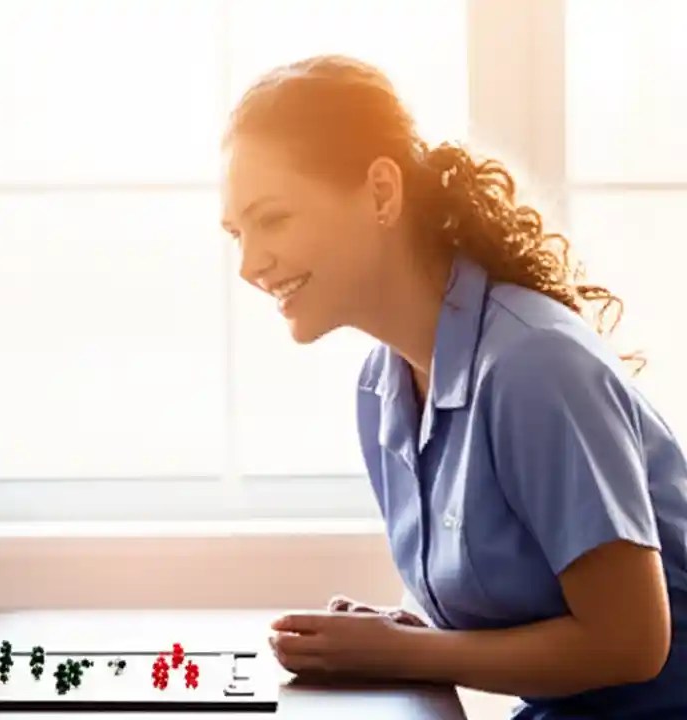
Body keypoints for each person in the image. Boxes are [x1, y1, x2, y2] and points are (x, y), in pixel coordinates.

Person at [220, 56, 687, 718]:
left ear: (381, 192)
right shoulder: (383, 386)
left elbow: (633, 644)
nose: (248, 264)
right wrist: (400, 633)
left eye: (273, 219)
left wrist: (401, 652)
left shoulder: (534, 364)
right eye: (236, 234)